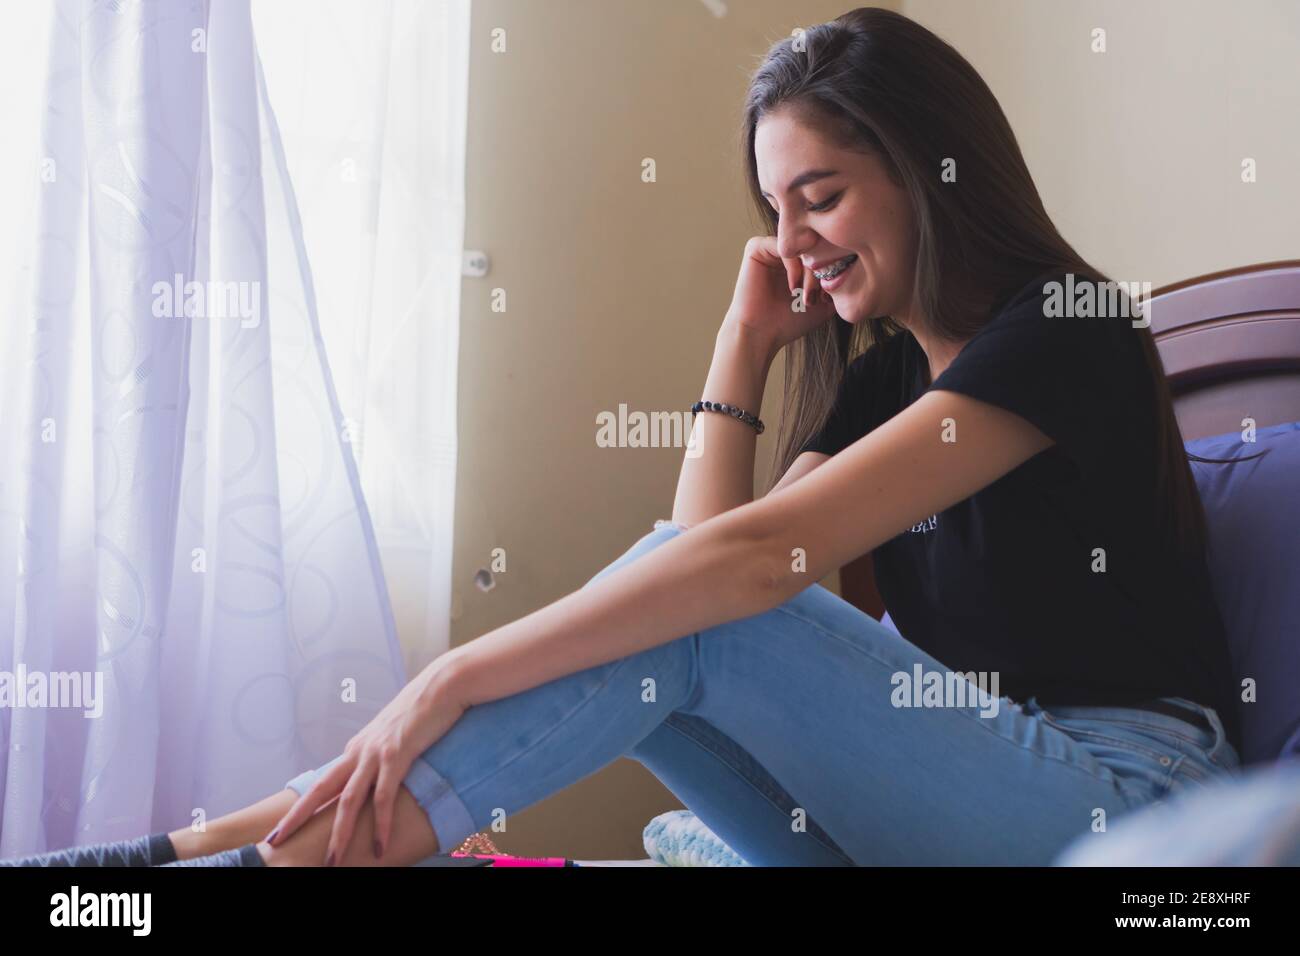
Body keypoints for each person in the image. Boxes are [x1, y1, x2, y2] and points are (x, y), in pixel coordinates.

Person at [1, 6, 1248, 869]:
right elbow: (698, 576)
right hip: (961, 799)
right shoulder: (886, 380)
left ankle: (244, 849)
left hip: (1117, 802)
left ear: (934, 172)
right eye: (774, 206)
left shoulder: (1066, 333)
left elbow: (743, 573)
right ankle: (239, 844)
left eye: (821, 195)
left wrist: (448, 674)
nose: (795, 234)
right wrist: (740, 345)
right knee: (669, 620)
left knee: (687, 600)